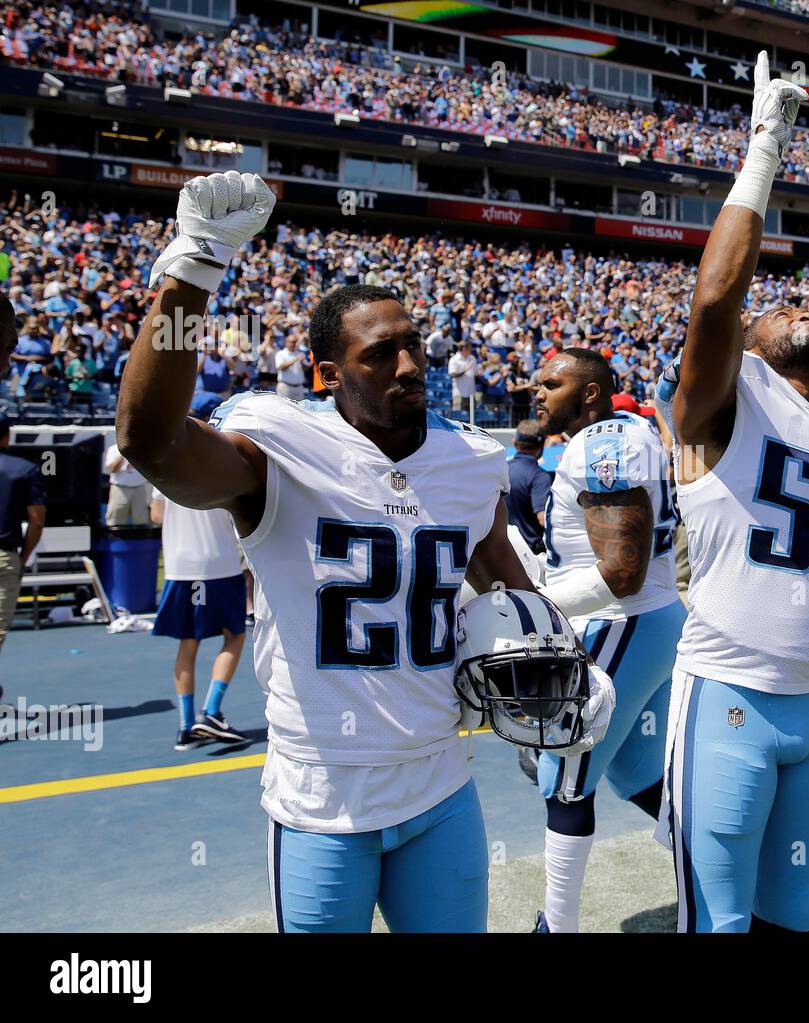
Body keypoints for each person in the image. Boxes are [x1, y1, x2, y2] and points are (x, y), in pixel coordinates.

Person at [115, 171, 613, 933]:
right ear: (328, 375)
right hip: (322, 798)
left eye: (413, 345)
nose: (410, 366)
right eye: (381, 355)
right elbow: (149, 442)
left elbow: (514, 591)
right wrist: (192, 268)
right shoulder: (279, 443)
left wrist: (570, 662)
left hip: (441, 784)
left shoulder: (468, 462)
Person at [659, 55, 809, 932]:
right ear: (751, 342)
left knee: (794, 911)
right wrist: (764, 152)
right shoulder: (730, 395)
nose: (797, 307)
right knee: (715, 922)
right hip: (729, 694)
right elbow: (715, 300)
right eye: (777, 302)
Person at [527, 347, 686, 933]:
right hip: (649, 622)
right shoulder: (622, 435)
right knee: (637, 771)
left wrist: (532, 606)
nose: (537, 393)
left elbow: (622, 573)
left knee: (563, 778)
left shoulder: (603, 444)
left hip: (625, 622)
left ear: (589, 392)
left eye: (550, 383)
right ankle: (732, 874)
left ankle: (558, 926)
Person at [150, 482, 249, 752]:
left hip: (179, 565)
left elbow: (156, 516)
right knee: (235, 635)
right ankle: (212, 711)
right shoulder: (219, 460)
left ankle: (186, 727)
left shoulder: (162, 465)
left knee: (188, 642)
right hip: (218, 563)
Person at [0, 408, 45, 655]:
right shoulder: (24, 470)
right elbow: (37, 521)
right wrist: (23, 558)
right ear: (7, 435)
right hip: (6, 557)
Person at [505, 418, 551, 556]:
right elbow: (543, 518)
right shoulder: (540, 476)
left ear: (515, 443)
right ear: (542, 445)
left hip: (502, 551)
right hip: (530, 554)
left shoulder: (500, 470)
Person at [103, 441, 152, 526]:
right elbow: (112, 469)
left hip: (139, 489)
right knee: (116, 519)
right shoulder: (113, 449)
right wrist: (123, 453)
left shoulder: (143, 449)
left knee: (141, 521)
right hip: (120, 489)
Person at [274, 333, 309, 400]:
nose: (294, 344)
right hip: (285, 387)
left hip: (299, 387)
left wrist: (302, 362)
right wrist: (295, 359)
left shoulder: (300, 353)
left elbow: (306, 369)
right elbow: (280, 367)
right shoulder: (280, 354)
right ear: (286, 342)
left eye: (295, 342)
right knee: (283, 408)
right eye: (292, 342)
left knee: (299, 409)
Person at [448, 341, 478, 414]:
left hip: (471, 393)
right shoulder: (454, 359)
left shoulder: (472, 358)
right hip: (459, 393)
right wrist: (464, 370)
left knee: (472, 417)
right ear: (463, 349)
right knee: (458, 417)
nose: (469, 350)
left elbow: (475, 373)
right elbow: (452, 374)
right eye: (468, 349)